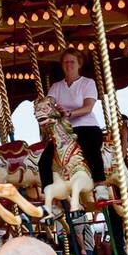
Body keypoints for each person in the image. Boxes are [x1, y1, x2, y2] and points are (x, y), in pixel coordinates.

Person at [38, 50, 106, 193]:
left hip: (86, 127)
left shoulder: (87, 83)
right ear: (62, 65)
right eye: (65, 62)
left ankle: (100, 184)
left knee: (91, 150)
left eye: (72, 62)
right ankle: (48, 195)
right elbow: (49, 102)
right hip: (64, 131)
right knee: (44, 161)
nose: (68, 65)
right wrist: (44, 106)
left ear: (79, 64)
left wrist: (69, 113)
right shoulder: (57, 86)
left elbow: (88, 107)